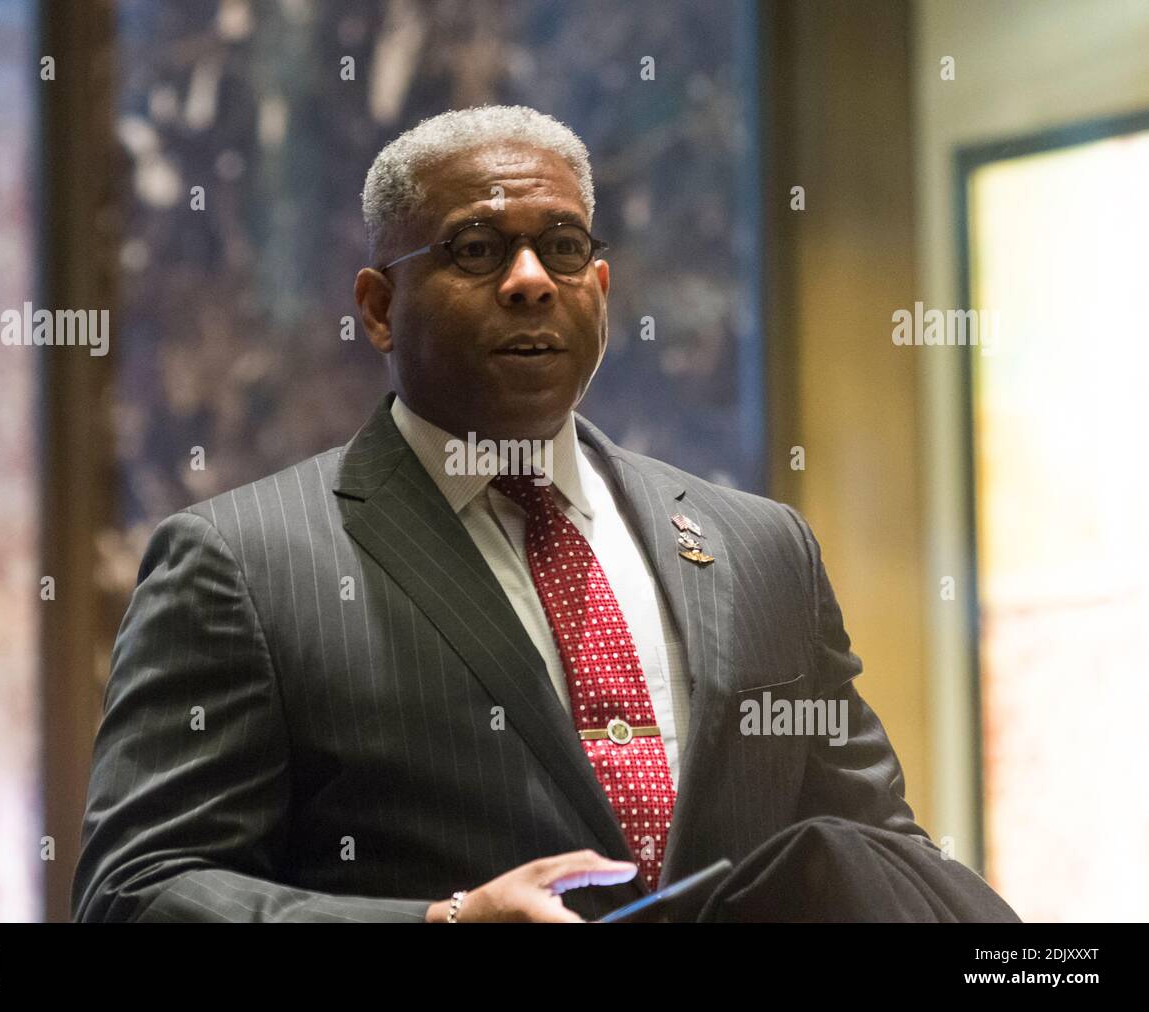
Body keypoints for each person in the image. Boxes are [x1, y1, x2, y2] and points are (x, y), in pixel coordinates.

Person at [71, 105, 1016, 923]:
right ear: (378, 307)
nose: (530, 279)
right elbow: (141, 891)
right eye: (475, 250)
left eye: (564, 247)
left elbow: (879, 847)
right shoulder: (243, 564)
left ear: (599, 289)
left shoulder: (759, 548)